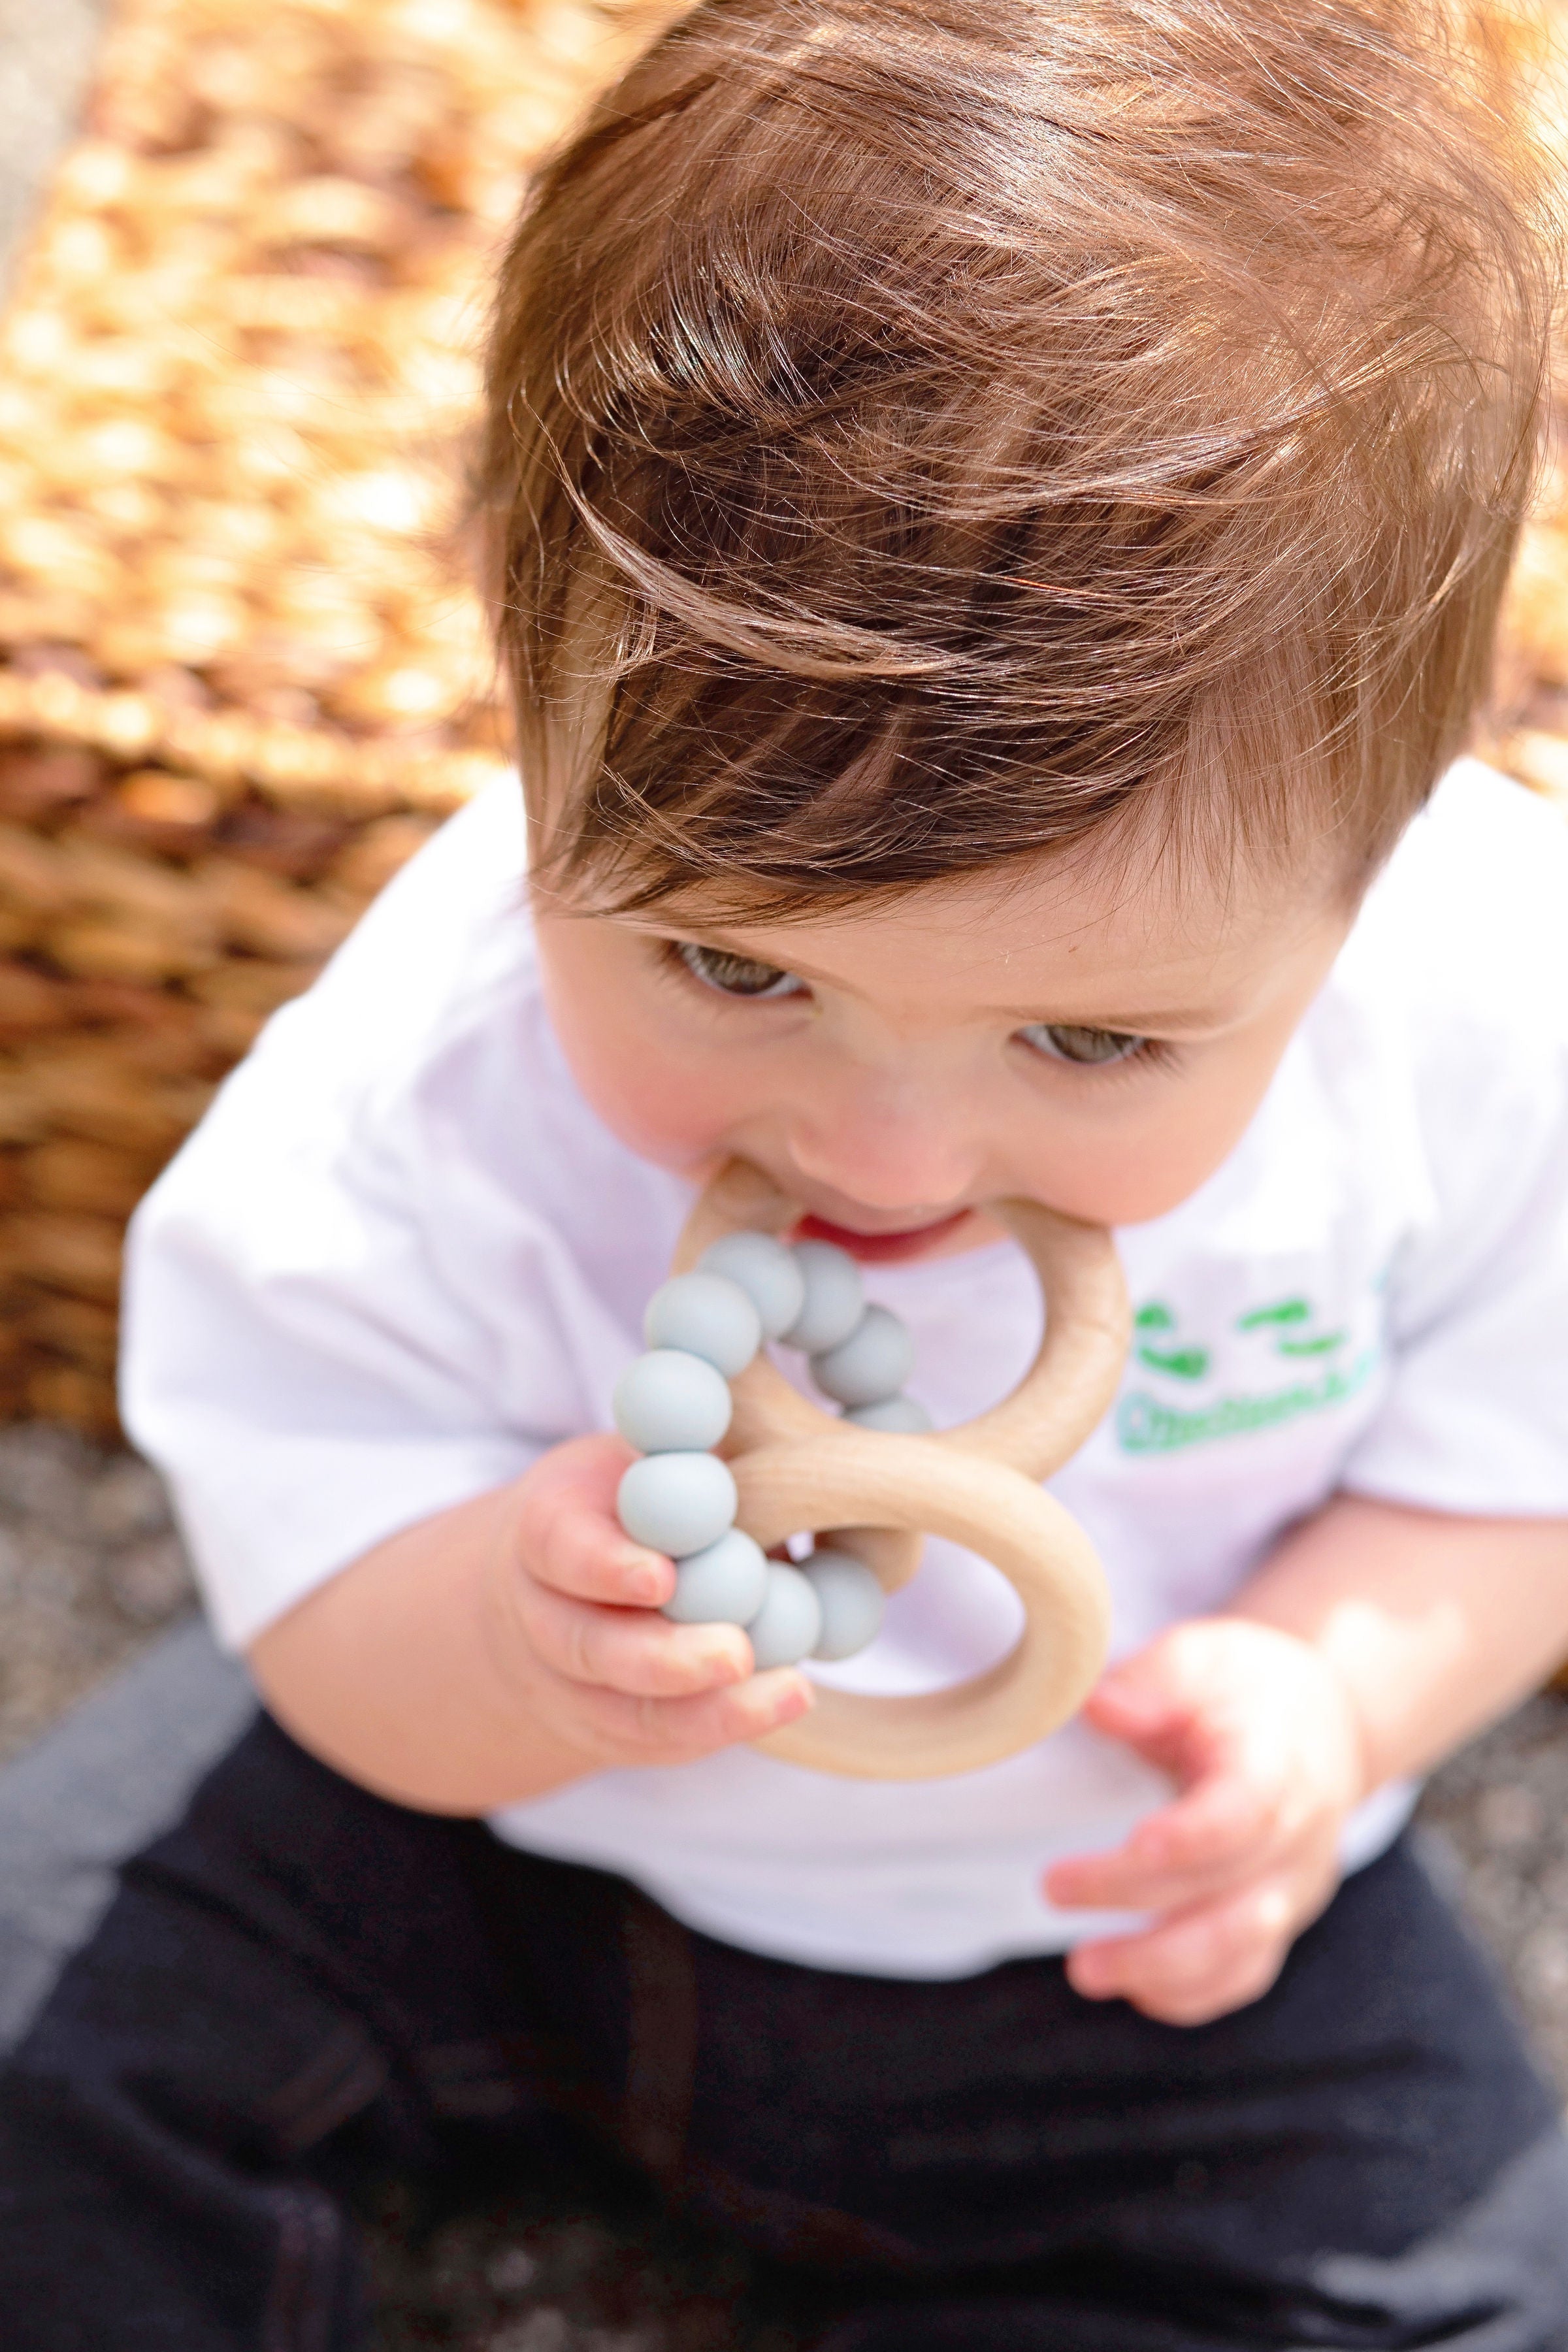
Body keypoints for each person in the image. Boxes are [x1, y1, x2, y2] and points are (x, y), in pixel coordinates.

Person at [5, 0, 1568, 2342]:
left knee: (1466, 2270)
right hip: (488, 1848)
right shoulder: (420, 1080)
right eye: (739, 974)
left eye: (1087, 1038)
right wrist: (511, 1647)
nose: (885, 1149)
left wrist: (1332, 1697)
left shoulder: (1480, 1018)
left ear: (1387, 835)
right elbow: (311, 1555)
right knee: (38, 2015)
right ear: (524, 716)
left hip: (1111, 1948)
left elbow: (1520, 1469)